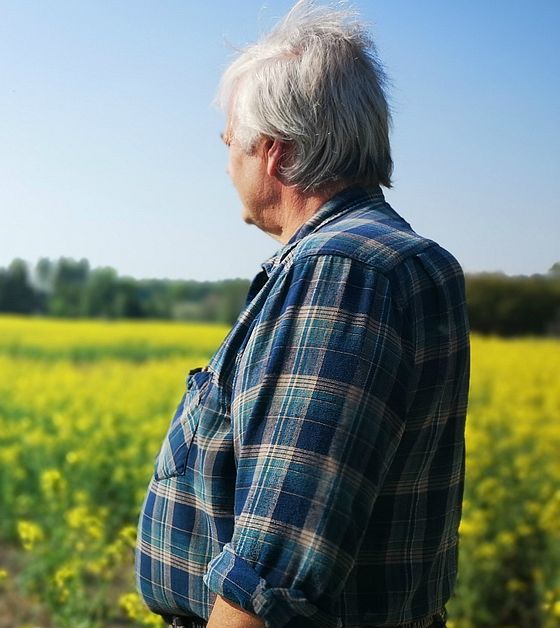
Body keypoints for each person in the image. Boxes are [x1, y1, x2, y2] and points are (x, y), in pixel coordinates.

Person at [135, 2, 470, 627]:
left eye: (230, 142)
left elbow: (272, 576)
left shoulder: (343, 273)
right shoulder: (388, 262)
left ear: (274, 152)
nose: (226, 162)